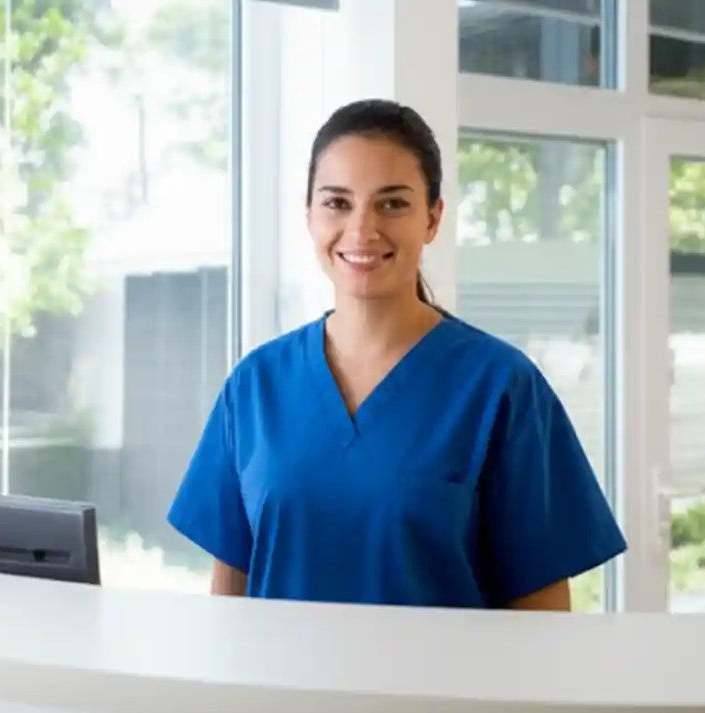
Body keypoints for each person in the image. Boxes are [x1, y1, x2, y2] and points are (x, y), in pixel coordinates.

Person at [166, 99, 626, 611]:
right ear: (309, 216)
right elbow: (230, 591)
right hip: (278, 669)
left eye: (392, 204)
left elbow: (542, 613)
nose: (362, 230)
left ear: (433, 218)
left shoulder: (500, 387)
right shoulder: (256, 385)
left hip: (444, 670)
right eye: (337, 203)